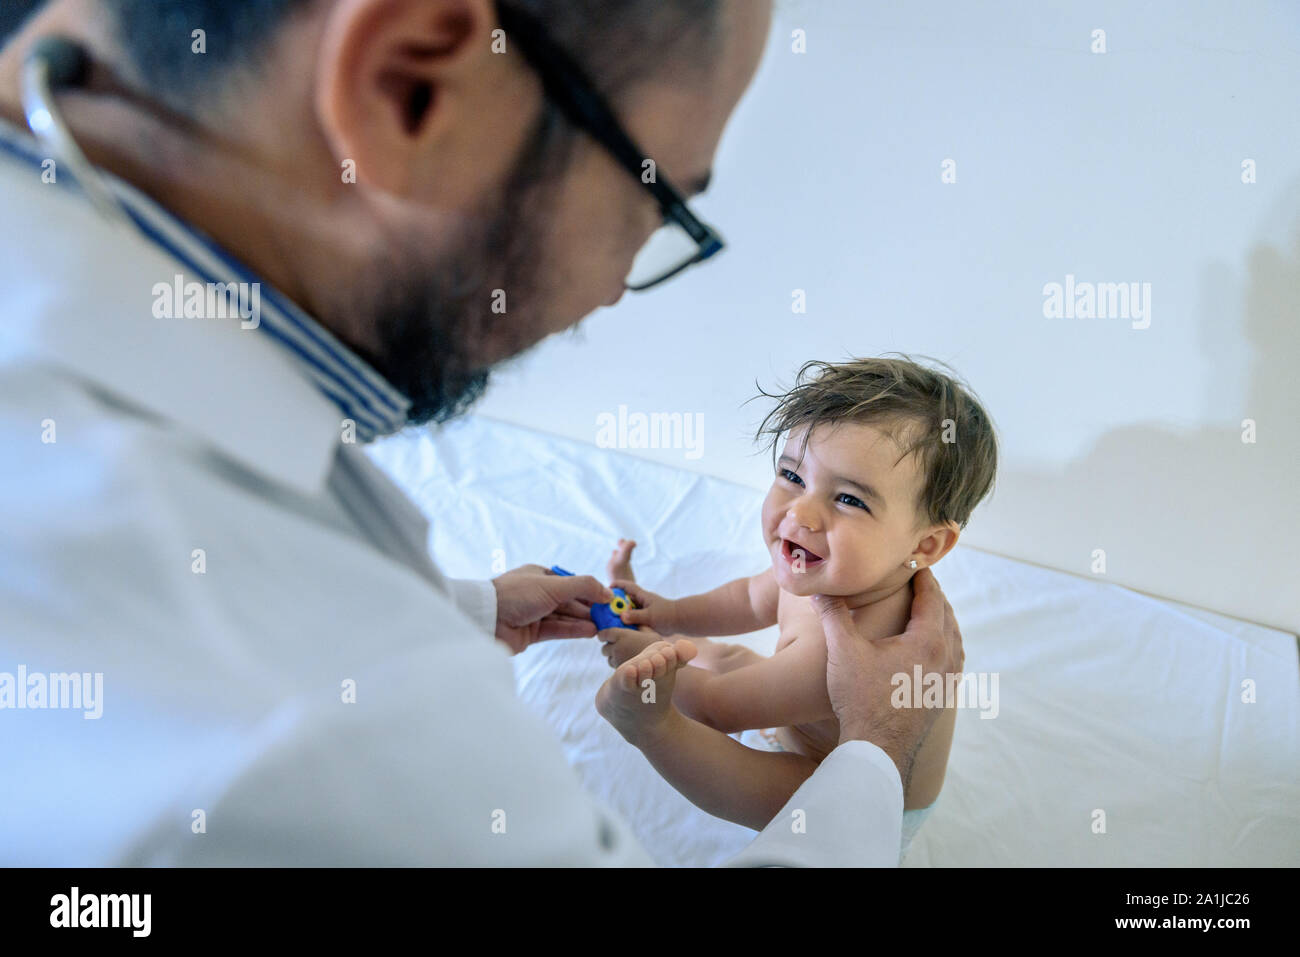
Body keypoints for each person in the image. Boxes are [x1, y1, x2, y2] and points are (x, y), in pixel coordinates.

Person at [0, 0, 964, 865]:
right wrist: (873, 747)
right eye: (655, 202)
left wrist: (465, 606)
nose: (616, 285)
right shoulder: (304, 742)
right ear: (411, 84)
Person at [595, 356, 997, 860]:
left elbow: (716, 707)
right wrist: (664, 614)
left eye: (850, 500)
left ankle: (650, 728)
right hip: (808, 722)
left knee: (768, 785)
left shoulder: (852, 650)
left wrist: (643, 652)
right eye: (792, 475)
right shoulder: (823, 566)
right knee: (725, 658)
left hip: (864, 795)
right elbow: (746, 598)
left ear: (929, 543)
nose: (801, 512)